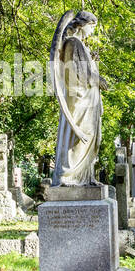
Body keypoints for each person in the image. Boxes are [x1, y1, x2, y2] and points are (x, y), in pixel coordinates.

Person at [50, 10, 108, 186]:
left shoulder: (80, 45)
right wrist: (97, 79)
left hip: (88, 101)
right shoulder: (74, 43)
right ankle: (69, 176)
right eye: (92, 27)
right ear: (84, 25)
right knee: (80, 138)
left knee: (90, 138)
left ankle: (85, 177)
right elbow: (78, 74)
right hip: (80, 101)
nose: (92, 31)